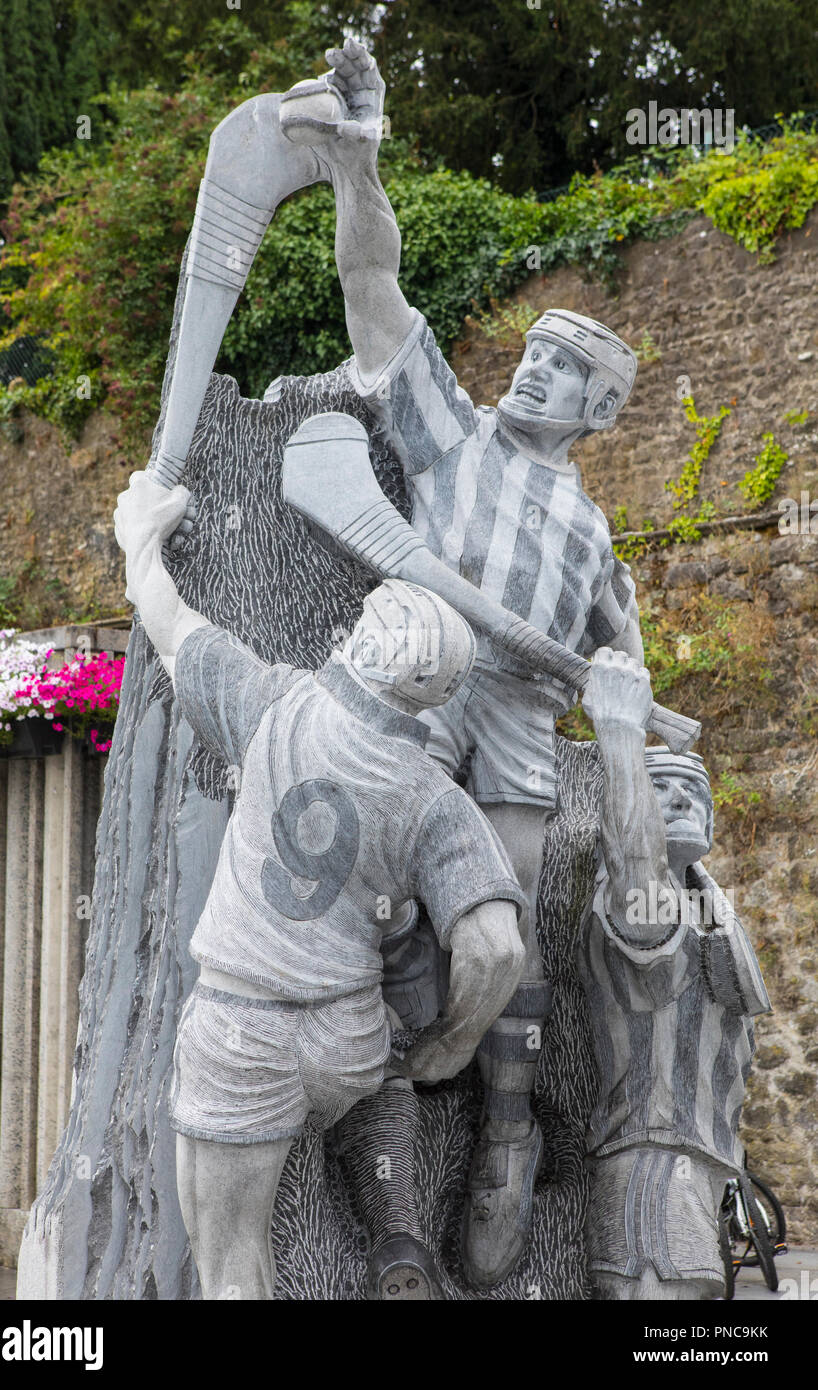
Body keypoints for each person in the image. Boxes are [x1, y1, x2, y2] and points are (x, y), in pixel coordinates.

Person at [304, 35, 645, 1285]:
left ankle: (506, 1123)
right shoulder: (455, 436)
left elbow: (622, 665)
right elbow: (373, 289)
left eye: (566, 370)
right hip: (417, 672)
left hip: (518, 718)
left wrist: (623, 671)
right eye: (536, 352)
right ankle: (358, 1103)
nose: (535, 371)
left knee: (503, 928)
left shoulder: (594, 533)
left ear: (599, 411)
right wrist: (359, 161)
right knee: (366, 875)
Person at [114, 469, 530, 1300]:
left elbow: (167, 622)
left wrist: (139, 537)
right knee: (386, 1074)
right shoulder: (433, 797)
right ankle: (396, 1228)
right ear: (434, 694)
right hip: (346, 1039)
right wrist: (451, 1044)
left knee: (230, 1262)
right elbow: (496, 948)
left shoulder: (273, 704)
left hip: (242, 1030)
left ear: (359, 642)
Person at [579, 648, 771, 1300]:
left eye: (695, 792)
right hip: (650, 1170)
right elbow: (637, 866)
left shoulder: (714, 919)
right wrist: (619, 736)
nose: (683, 798)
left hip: (703, 1174)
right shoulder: (633, 904)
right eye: (658, 786)